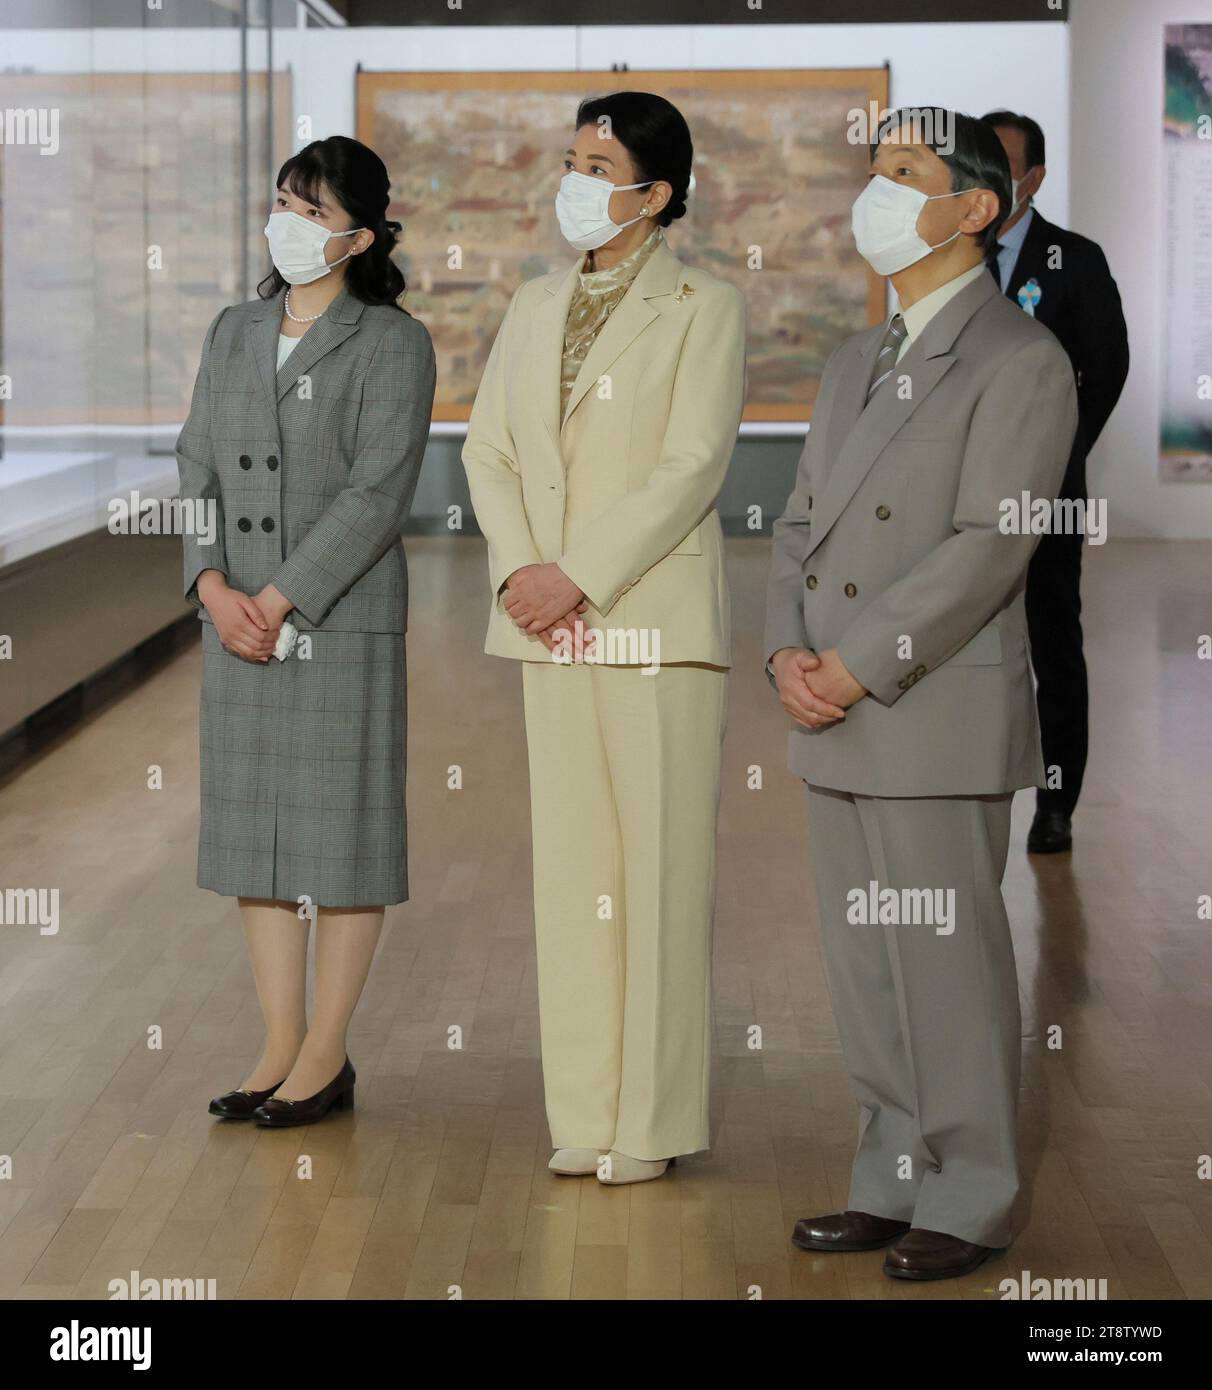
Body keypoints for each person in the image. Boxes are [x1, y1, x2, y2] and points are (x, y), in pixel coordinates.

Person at [764, 108, 1077, 1279]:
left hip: (923, 707)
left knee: (944, 965)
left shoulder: (1021, 360)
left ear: (975, 209)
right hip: (829, 709)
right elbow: (797, 526)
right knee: (864, 962)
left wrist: (856, 663)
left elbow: (991, 548)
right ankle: (889, 1176)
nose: (875, 190)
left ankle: (976, 1190)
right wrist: (787, 654)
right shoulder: (856, 359)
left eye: (904, 173)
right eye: (874, 168)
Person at [462, 91, 746, 1185]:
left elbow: (692, 467)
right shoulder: (533, 305)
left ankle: (655, 1120)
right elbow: (487, 451)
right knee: (575, 872)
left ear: (655, 193)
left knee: (660, 875)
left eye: (596, 164)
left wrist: (573, 575)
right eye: (570, 159)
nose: (574, 181)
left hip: (651, 623)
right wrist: (525, 575)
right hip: (549, 627)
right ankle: (584, 1109)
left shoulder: (703, 305)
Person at [177, 135, 436, 1127]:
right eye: (284, 199)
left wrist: (279, 595)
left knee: (343, 836)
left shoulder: (393, 342)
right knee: (255, 840)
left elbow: (379, 493)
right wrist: (209, 583)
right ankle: (278, 1043)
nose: (288, 219)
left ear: (360, 236)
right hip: (230, 616)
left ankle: (326, 1054)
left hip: (338, 617)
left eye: (313, 209)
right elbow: (194, 461)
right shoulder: (233, 330)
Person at [982, 110, 1130, 855]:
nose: (987, 179)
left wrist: (1055, 461)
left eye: (1003, 166)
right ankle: (971, 793)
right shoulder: (947, 258)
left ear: (1034, 178)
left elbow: (1103, 373)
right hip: (963, 502)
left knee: (1052, 644)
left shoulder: (1075, 258)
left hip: (1050, 498)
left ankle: (1055, 801)